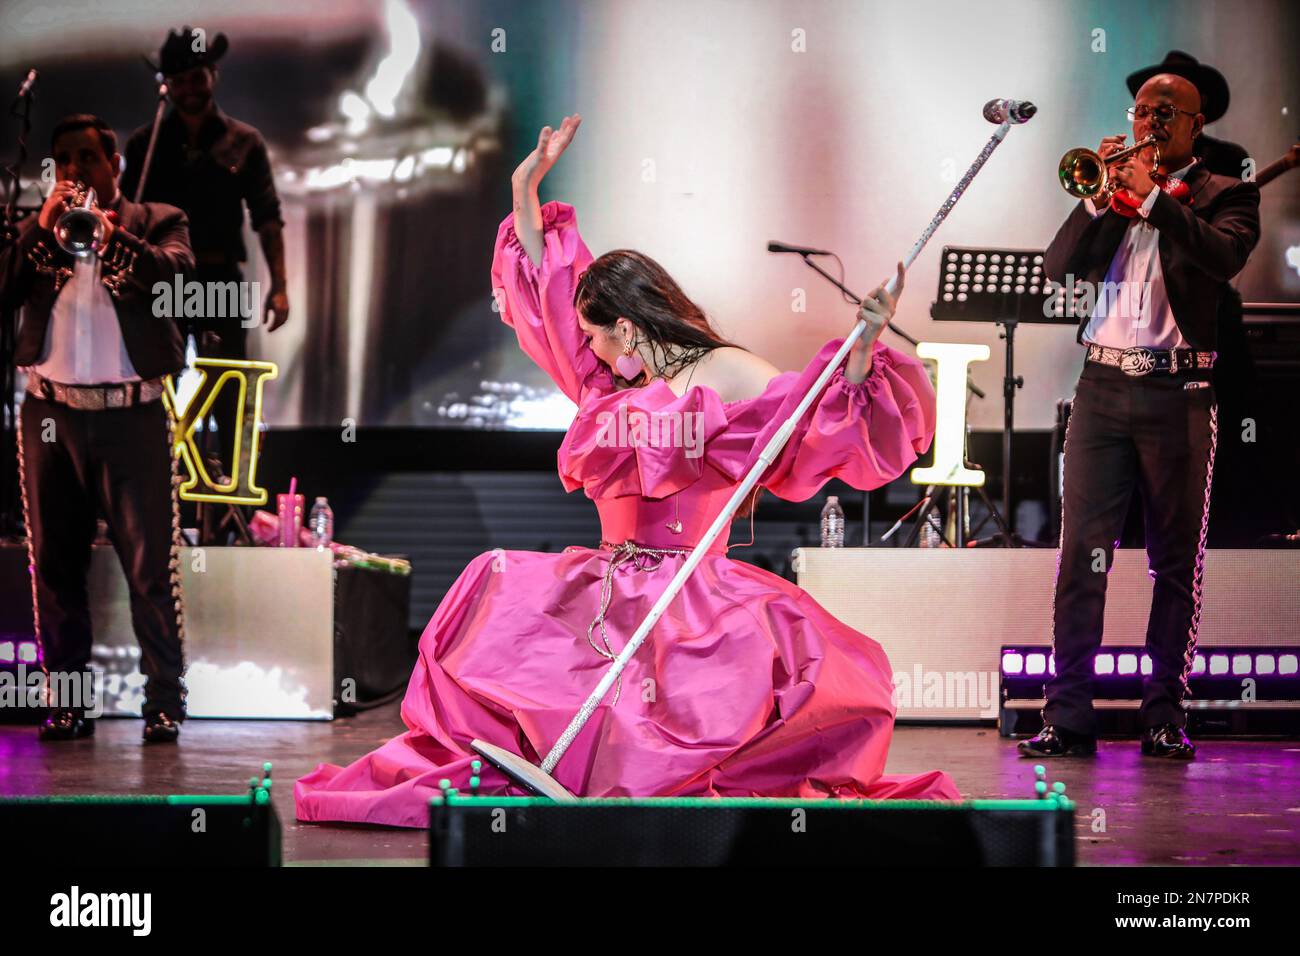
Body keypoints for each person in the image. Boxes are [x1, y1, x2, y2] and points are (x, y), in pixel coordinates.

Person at [295, 115, 958, 825]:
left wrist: (861, 352)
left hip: (695, 594)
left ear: (628, 328)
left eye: (594, 335)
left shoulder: (726, 373)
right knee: (492, 595)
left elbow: (806, 417)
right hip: (606, 584)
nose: (584, 348)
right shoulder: (606, 389)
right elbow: (547, 290)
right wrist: (526, 185)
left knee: (743, 698)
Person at [1023, 75, 1261, 760]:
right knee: (1079, 561)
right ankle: (1067, 715)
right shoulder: (1118, 198)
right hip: (1100, 388)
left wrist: (1155, 197)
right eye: (1141, 112)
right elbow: (1057, 269)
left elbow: (1222, 257)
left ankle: (1164, 714)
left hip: (1178, 394)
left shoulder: (1228, 194)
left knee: (1174, 563)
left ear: (1195, 122)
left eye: (1163, 113)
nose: (1149, 122)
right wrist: (1101, 201)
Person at [0, 114, 194, 742]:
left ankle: (164, 703)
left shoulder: (158, 220)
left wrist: (110, 237)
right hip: (50, 413)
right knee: (54, 569)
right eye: (65, 159)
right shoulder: (38, 233)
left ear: (115, 164)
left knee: (148, 569)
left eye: (89, 157)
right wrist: (40, 226)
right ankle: (70, 702)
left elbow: (177, 286)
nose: (77, 170)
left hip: (132, 414)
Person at [120, 27, 287, 511]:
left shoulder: (244, 142)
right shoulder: (144, 144)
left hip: (221, 279)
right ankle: (161, 494)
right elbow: (129, 214)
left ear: (212, 76)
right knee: (160, 389)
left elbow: (268, 216)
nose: (189, 88)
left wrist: (281, 287)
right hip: (163, 281)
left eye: (197, 77)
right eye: (179, 80)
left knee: (231, 390)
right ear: (165, 85)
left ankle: (230, 502)